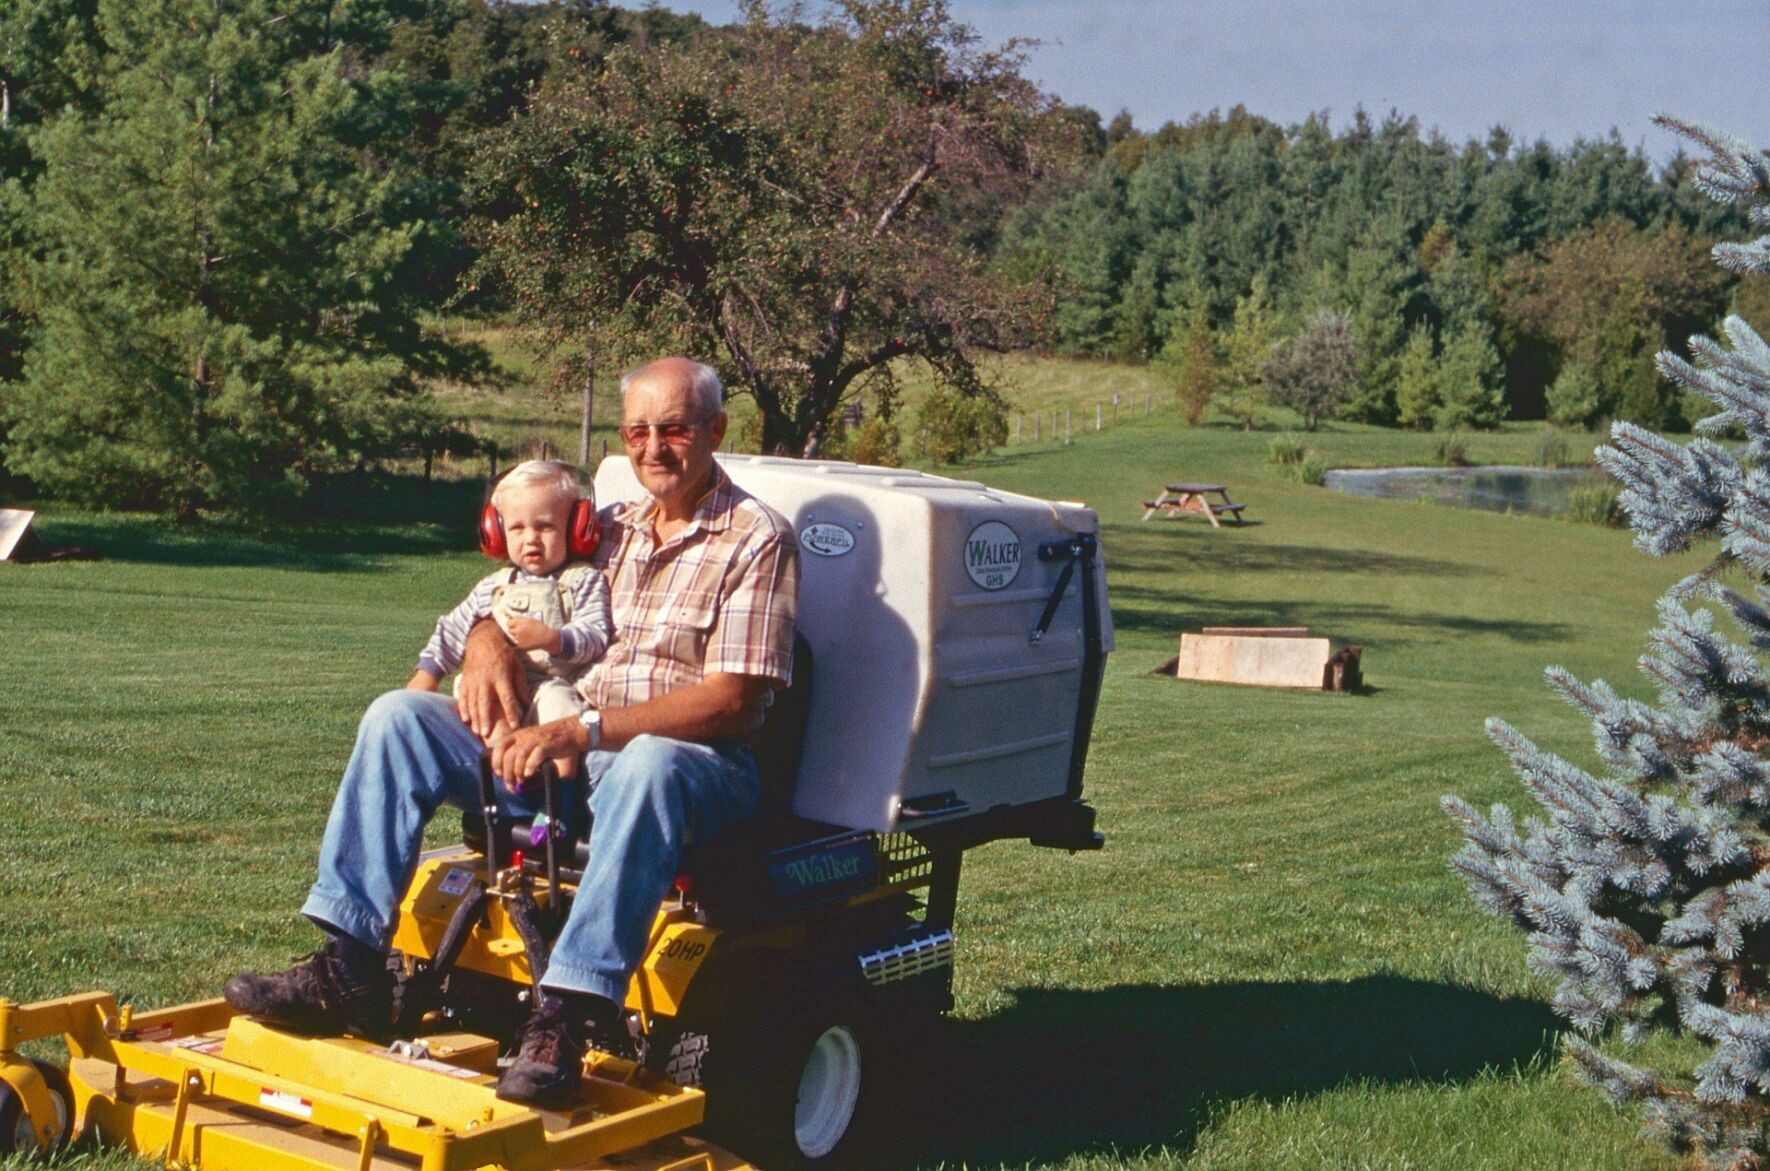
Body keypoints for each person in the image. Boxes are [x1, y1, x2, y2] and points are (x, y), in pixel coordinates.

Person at [222, 357, 799, 1109]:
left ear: (715, 429)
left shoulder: (756, 539)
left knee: (649, 763)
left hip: (694, 767)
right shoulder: (606, 528)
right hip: (565, 751)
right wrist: (489, 638)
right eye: (637, 430)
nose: (653, 446)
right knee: (399, 718)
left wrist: (583, 731)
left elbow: (732, 702)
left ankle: (566, 1016)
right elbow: (514, 598)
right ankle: (351, 965)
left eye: (675, 428)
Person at [410, 459, 612, 778]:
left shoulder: (584, 580)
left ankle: (558, 798)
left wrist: (555, 640)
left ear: (575, 529)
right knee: (481, 702)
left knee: (563, 715)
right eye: (517, 528)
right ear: (497, 533)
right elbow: (452, 630)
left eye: (545, 526)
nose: (530, 538)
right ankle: (510, 778)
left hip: (552, 685)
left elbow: (596, 634)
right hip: (502, 685)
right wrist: (427, 675)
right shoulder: (494, 586)